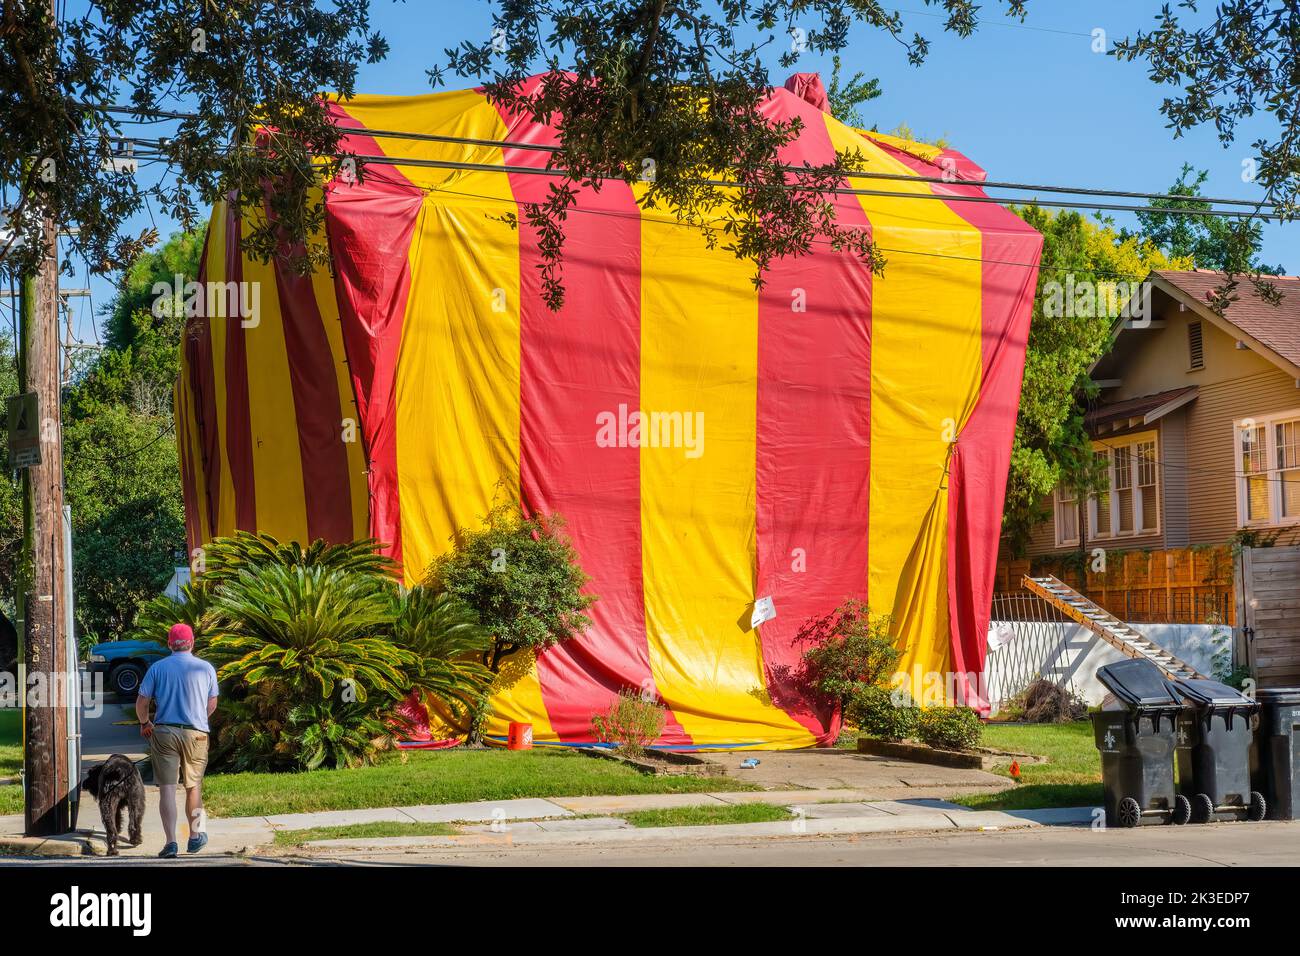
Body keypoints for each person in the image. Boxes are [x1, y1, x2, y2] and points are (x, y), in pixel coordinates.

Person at [135, 622, 219, 858]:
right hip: (197, 733)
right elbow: (212, 703)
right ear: (192, 643)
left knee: (168, 789)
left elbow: (142, 702)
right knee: (193, 786)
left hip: (164, 732)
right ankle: (194, 836)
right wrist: (199, 718)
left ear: (169, 644)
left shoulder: (158, 668)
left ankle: (171, 842)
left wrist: (145, 723)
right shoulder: (206, 668)